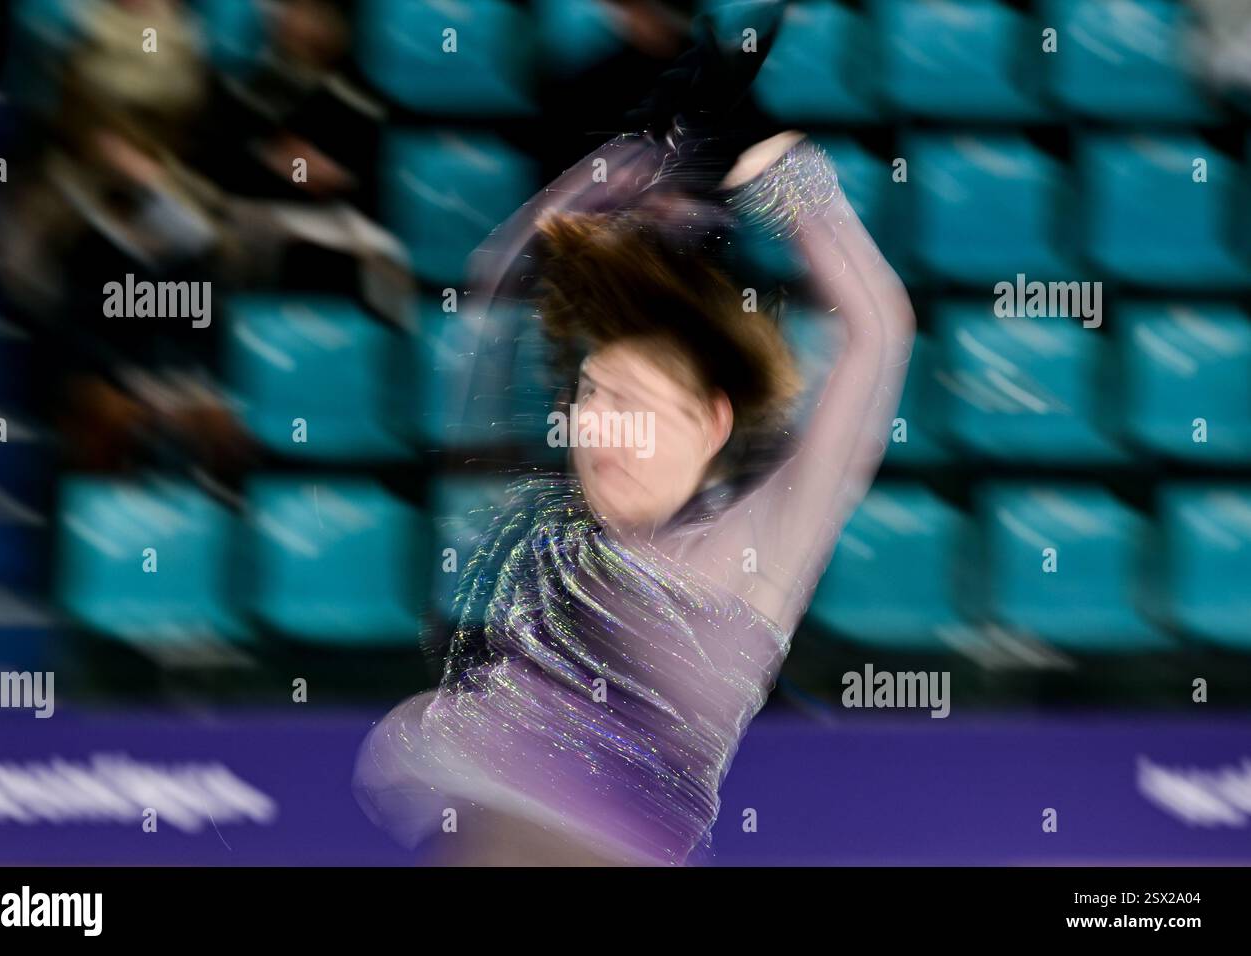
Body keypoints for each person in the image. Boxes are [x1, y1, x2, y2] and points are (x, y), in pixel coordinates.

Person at [353, 120, 915, 865]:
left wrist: (792, 188)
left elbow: (877, 338)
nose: (599, 425)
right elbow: (488, 306)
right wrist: (589, 192)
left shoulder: (757, 546)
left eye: (634, 403)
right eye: (591, 394)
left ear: (710, 422)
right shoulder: (549, 531)